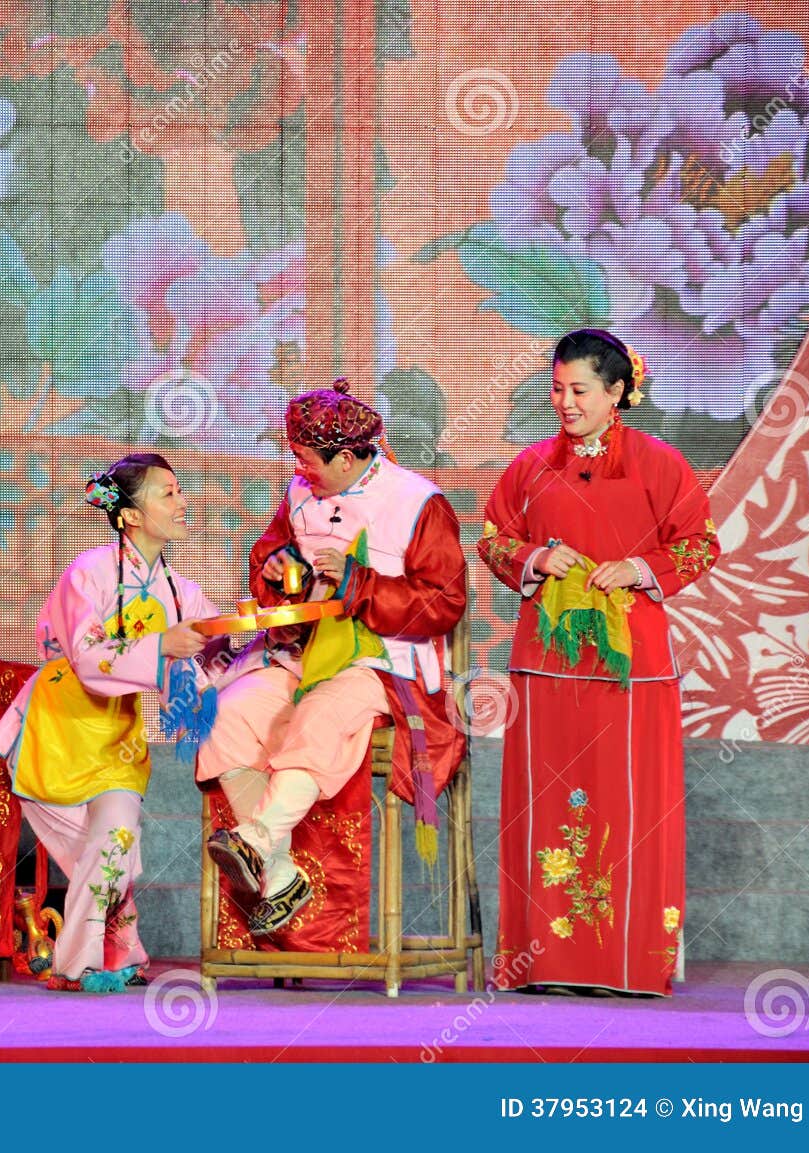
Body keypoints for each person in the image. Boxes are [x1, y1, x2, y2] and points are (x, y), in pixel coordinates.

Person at [479, 329, 718, 996]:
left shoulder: (659, 463)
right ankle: (544, 965)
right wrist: (534, 558)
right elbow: (494, 537)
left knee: (629, 808)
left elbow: (700, 544)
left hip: (629, 669)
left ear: (617, 393)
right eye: (556, 388)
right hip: (547, 665)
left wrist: (639, 568)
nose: (564, 401)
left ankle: (628, 964)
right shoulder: (530, 466)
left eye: (579, 389)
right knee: (548, 805)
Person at [197, 380, 467, 934]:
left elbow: (442, 603)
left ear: (346, 456)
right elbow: (272, 554)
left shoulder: (418, 501)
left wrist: (357, 583)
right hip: (305, 653)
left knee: (321, 713)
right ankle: (277, 873)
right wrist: (279, 570)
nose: (300, 471)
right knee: (226, 714)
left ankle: (257, 839)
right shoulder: (299, 493)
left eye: (305, 459)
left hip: (382, 662)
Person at [0, 453, 221, 992]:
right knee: (106, 850)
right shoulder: (87, 573)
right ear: (131, 515)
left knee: (113, 841)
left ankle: (79, 964)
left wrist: (273, 626)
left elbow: (215, 649)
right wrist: (163, 644)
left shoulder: (179, 590)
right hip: (60, 726)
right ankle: (122, 951)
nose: (183, 502)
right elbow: (89, 657)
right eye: (169, 493)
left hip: (116, 735)